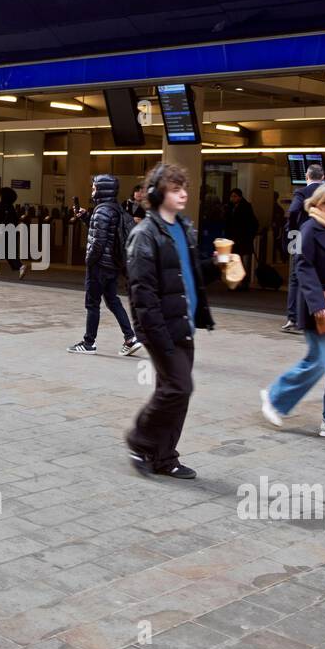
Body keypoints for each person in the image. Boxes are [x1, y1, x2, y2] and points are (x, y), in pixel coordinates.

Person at [124, 163, 214, 479]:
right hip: (159, 326)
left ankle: (164, 457)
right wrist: (156, 334)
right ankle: (139, 438)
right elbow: (142, 292)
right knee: (179, 387)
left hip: (183, 323)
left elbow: (190, 275)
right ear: (156, 193)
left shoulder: (183, 228)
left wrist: (216, 262)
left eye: (183, 188)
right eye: (176, 189)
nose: (183, 194)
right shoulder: (144, 234)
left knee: (176, 393)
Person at [261, 183, 325, 441]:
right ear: (322, 204)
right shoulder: (310, 228)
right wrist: (317, 302)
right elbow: (303, 268)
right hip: (318, 308)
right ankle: (275, 398)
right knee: (319, 361)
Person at [68, 174, 141, 356]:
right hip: (113, 264)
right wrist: (86, 217)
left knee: (92, 304)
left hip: (99, 265)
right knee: (112, 300)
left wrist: (90, 261)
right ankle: (130, 338)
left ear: (102, 189)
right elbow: (105, 232)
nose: (92, 190)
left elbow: (99, 242)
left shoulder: (101, 211)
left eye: (94, 187)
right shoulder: (115, 208)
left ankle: (88, 343)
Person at [282, 164, 325, 332]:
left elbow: (292, 211)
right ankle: (321, 316)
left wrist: (293, 231)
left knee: (296, 277)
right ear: (323, 177)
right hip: (324, 240)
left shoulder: (302, 192)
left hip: (301, 239)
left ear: (307, 177)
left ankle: (293, 318)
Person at [0, 186, 28, 278]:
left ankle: (19, 266)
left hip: (2, 232)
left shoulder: (3, 206)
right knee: (1, 252)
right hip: (9, 232)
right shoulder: (11, 208)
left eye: (0, 195)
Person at [225, 188, 259, 291]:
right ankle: (234, 282)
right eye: (232, 196)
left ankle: (243, 283)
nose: (232, 198)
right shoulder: (230, 207)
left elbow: (252, 223)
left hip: (243, 239)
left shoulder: (246, 207)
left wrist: (249, 236)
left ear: (240, 197)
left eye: (235, 196)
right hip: (234, 239)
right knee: (234, 262)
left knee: (243, 262)